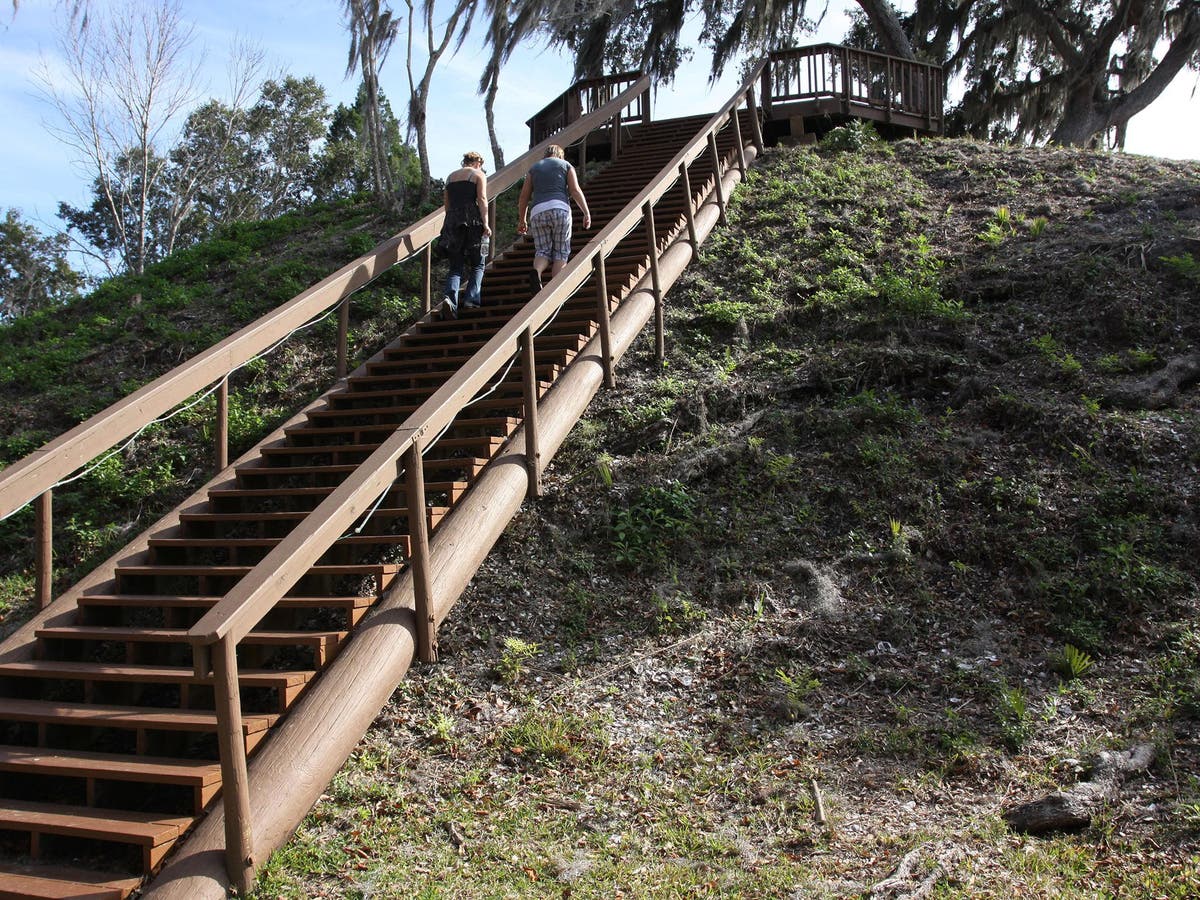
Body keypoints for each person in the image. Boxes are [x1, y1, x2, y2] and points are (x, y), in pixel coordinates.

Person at [517, 144, 591, 297]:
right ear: (560, 155)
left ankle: (537, 272)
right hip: (560, 209)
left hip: (538, 212)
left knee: (542, 251)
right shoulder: (565, 165)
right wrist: (586, 212)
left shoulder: (534, 168)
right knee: (560, 253)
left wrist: (522, 220)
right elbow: (575, 190)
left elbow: (524, 196)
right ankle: (556, 292)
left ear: (546, 154)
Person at [439, 151, 492, 318]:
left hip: (453, 221)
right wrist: (486, 224)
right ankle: (471, 299)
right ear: (477, 162)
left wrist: (450, 223)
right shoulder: (478, 174)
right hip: (472, 221)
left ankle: (450, 299)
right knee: (478, 264)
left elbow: (447, 205)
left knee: (455, 267)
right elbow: (482, 199)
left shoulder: (450, 177)